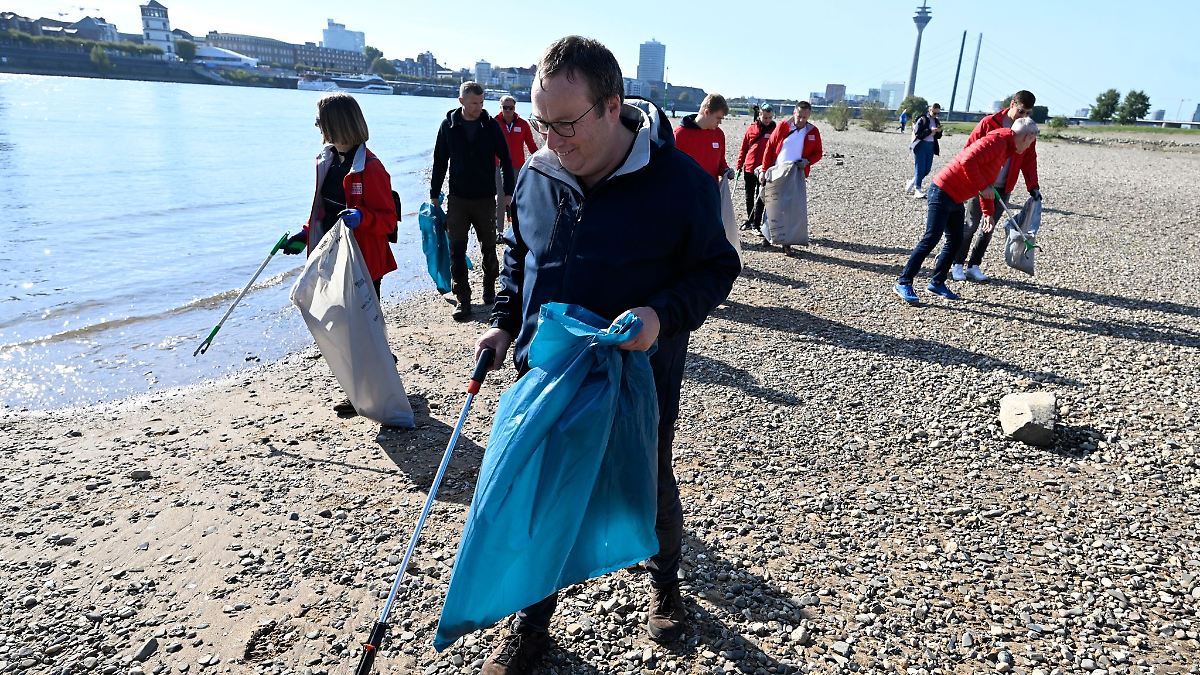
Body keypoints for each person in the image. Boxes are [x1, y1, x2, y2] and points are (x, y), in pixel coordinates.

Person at [473, 35, 741, 675]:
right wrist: (505, 323)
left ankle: (667, 590)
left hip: (637, 374)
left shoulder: (679, 185)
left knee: (647, 482)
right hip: (548, 372)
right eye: (542, 123)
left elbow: (716, 268)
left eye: (565, 124)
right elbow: (520, 254)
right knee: (543, 494)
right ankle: (532, 623)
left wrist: (662, 316)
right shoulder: (538, 174)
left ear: (613, 105)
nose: (552, 140)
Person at [282, 92, 398, 413]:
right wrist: (305, 235)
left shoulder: (371, 168)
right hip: (333, 257)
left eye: (320, 120)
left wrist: (364, 219)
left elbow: (388, 220)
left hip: (363, 262)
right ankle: (374, 367)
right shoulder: (326, 161)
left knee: (362, 326)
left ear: (337, 123)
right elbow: (321, 208)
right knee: (344, 324)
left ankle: (365, 389)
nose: (316, 125)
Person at [893, 118, 1039, 304]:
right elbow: (967, 160)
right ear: (1026, 137)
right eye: (1030, 143)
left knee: (955, 240)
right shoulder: (998, 141)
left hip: (956, 197)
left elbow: (989, 183)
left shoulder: (1007, 148)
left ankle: (937, 283)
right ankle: (903, 281)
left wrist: (988, 212)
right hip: (942, 190)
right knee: (931, 238)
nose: (1028, 148)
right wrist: (981, 186)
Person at [430, 81, 516, 321]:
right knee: (457, 250)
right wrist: (434, 194)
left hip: (485, 198)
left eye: (481, 102)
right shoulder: (448, 126)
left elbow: (506, 160)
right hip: (457, 199)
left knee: (489, 248)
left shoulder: (490, 126)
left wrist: (507, 191)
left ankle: (490, 288)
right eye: (473, 103)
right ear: (461, 102)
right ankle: (463, 300)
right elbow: (439, 161)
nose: (478, 107)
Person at [952, 91, 1041, 282]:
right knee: (970, 224)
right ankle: (957, 263)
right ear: (1012, 104)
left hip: (1004, 186)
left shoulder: (1027, 129)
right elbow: (968, 151)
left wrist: (1033, 185)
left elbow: (1029, 159)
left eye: (1028, 113)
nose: (1024, 116)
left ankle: (974, 265)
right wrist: (974, 181)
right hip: (983, 183)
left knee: (988, 227)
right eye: (1021, 111)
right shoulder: (989, 123)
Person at [758, 100, 823, 253]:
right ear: (794, 112)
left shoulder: (813, 131)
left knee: (791, 207)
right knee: (772, 203)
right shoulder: (783, 126)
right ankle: (767, 235)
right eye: (799, 116)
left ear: (809, 116)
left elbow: (818, 153)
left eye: (804, 118)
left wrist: (808, 162)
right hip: (777, 171)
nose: (801, 120)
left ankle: (786, 241)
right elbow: (770, 147)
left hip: (796, 174)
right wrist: (764, 170)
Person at [494, 95, 539, 235]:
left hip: (517, 167)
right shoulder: (494, 123)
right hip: (497, 166)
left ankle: (514, 231)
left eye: (511, 108)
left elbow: (531, 145)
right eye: (505, 107)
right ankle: (499, 232)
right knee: (501, 198)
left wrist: (543, 159)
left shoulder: (523, 124)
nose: (508, 110)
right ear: (500, 108)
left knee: (517, 198)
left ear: (515, 108)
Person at [736, 103, 776, 230]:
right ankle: (750, 219)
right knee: (749, 196)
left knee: (761, 196)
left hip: (765, 169)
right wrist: (739, 164)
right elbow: (744, 148)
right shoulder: (752, 128)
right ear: (760, 115)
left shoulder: (775, 130)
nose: (768, 120)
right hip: (749, 167)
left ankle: (756, 223)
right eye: (765, 118)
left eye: (770, 118)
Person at [674, 93, 731, 180]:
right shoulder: (679, 134)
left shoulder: (719, 134)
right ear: (706, 112)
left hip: (711, 190)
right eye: (718, 118)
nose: (720, 122)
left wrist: (726, 170)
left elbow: (721, 162)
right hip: (686, 191)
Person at [906, 103, 942, 198]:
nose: (936, 115)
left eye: (937, 113)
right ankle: (917, 189)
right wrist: (930, 131)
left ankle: (913, 181)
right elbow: (918, 133)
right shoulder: (922, 119)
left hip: (931, 146)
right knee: (920, 168)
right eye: (934, 113)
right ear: (930, 110)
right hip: (920, 145)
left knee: (927, 170)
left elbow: (938, 136)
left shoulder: (936, 121)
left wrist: (939, 131)